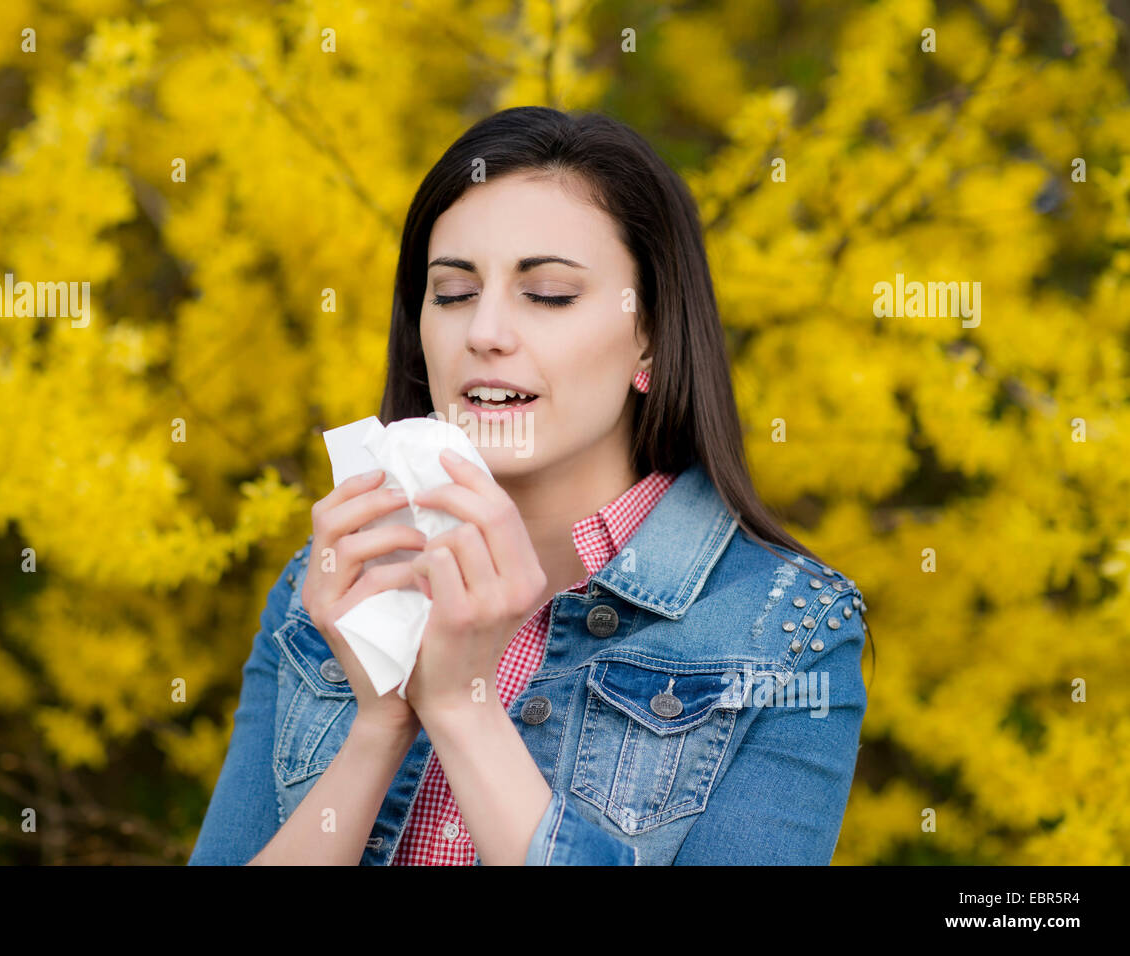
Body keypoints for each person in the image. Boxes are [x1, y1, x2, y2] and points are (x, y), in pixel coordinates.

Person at [189, 105, 871, 866]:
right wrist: (381, 723)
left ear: (650, 335)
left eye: (547, 294)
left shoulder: (785, 634)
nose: (484, 331)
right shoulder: (333, 586)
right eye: (451, 293)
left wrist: (459, 708)